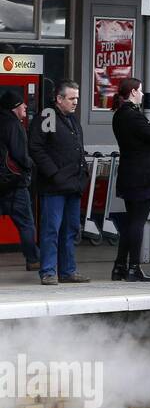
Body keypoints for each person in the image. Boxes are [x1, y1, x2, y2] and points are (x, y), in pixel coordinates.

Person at [28, 81, 90, 285]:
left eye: (77, 98)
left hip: (72, 184)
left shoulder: (71, 119)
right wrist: (54, 173)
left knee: (70, 229)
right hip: (55, 186)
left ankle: (67, 270)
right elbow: (36, 147)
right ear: (59, 99)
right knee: (51, 229)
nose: (75, 102)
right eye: (72, 98)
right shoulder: (49, 115)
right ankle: (48, 271)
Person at [111, 77, 150, 281]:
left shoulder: (120, 115)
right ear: (134, 92)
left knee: (130, 221)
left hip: (129, 174)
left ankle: (120, 266)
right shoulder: (132, 116)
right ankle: (134, 267)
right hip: (143, 175)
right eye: (141, 91)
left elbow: (147, 135)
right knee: (137, 221)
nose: (144, 95)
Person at [0, 88, 39, 272]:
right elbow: (20, 155)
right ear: (14, 106)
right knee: (26, 223)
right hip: (14, 183)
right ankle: (33, 259)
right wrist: (31, 164)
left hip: (3, 181)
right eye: (22, 103)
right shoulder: (13, 125)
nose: (25, 106)